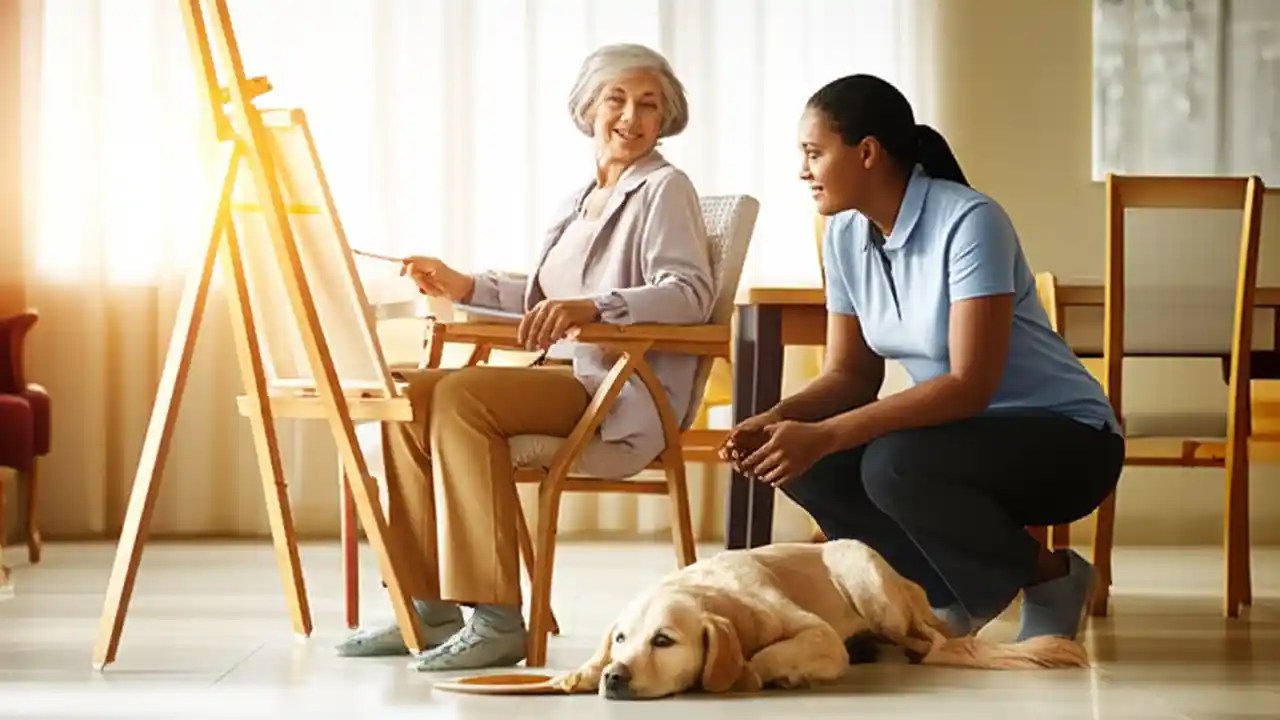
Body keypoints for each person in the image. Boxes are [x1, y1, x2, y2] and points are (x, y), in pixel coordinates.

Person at [335, 44, 714, 670]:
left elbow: (690, 294)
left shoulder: (665, 188)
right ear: (588, 108)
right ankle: (426, 607)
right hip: (561, 375)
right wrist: (463, 284)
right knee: (406, 394)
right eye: (616, 100)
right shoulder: (580, 198)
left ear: (665, 117)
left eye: (648, 104)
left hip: (613, 388)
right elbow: (542, 299)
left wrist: (596, 308)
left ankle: (497, 617)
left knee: (462, 397)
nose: (631, 116)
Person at [722, 74, 1123, 642]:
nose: (802, 171)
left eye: (813, 153)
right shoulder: (843, 236)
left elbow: (968, 385)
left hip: (1070, 441)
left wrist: (827, 433)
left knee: (892, 462)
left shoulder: (970, 221)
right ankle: (935, 597)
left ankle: (1051, 578)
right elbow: (850, 376)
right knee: (807, 461)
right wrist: (778, 419)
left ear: (866, 153)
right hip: (962, 440)